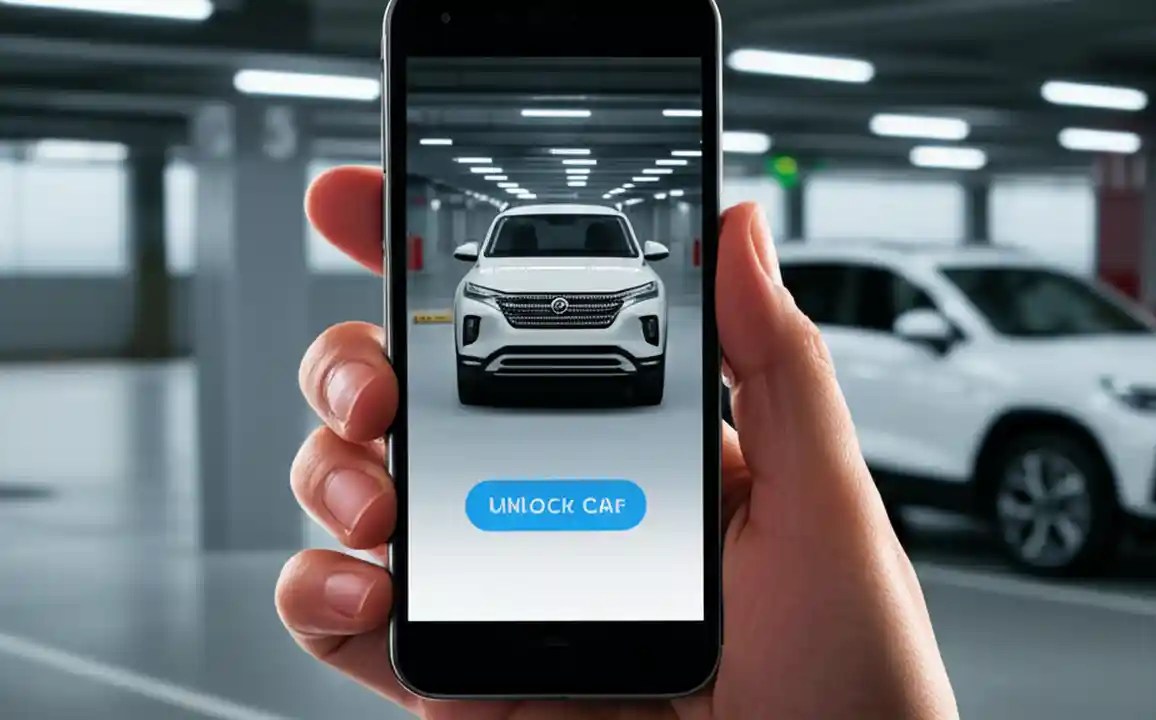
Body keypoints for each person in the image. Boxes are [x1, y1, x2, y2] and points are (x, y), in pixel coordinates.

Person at [277, 165, 960, 719]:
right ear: (472, 257)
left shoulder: (636, 270)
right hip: (512, 314)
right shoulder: (485, 272)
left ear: (647, 254)